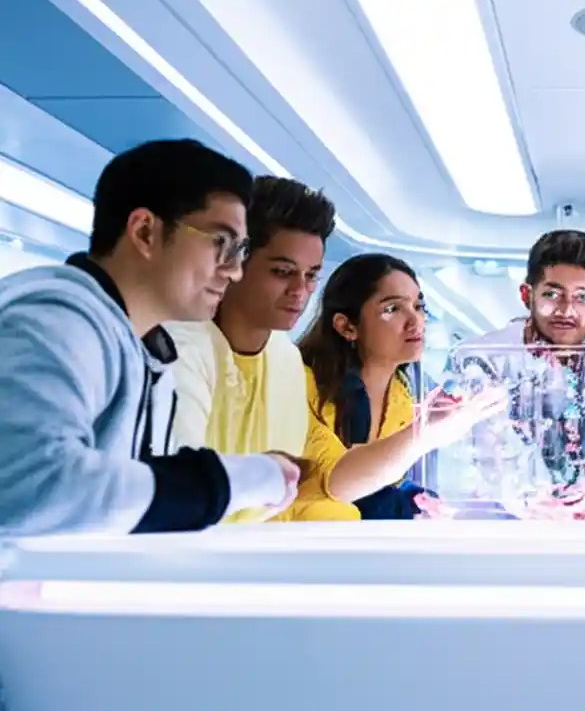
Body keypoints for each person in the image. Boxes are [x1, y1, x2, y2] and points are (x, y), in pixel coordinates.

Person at [0, 139, 298, 535]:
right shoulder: (57, 320)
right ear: (145, 231)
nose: (234, 271)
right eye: (221, 243)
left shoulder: (148, 351)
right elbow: (28, 486)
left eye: (240, 251)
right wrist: (238, 479)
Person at [443, 230, 585, 519]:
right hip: (500, 544)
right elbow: (479, 464)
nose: (566, 310)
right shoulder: (477, 363)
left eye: (583, 297)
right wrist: (534, 502)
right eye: (552, 294)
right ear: (526, 295)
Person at [168, 176, 345, 521]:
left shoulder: (287, 360)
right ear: (232, 262)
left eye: (311, 276)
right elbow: (177, 486)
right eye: (282, 271)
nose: (300, 291)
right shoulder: (179, 347)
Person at [295, 253, 506, 519]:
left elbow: (378, 483)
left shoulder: (400, 397)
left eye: (418, 307)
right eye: (392, 309)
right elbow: (338, 484)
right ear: (347, 326)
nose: (415, 320)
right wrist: (425, 433)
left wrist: (415, 502)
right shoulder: (300, 383)